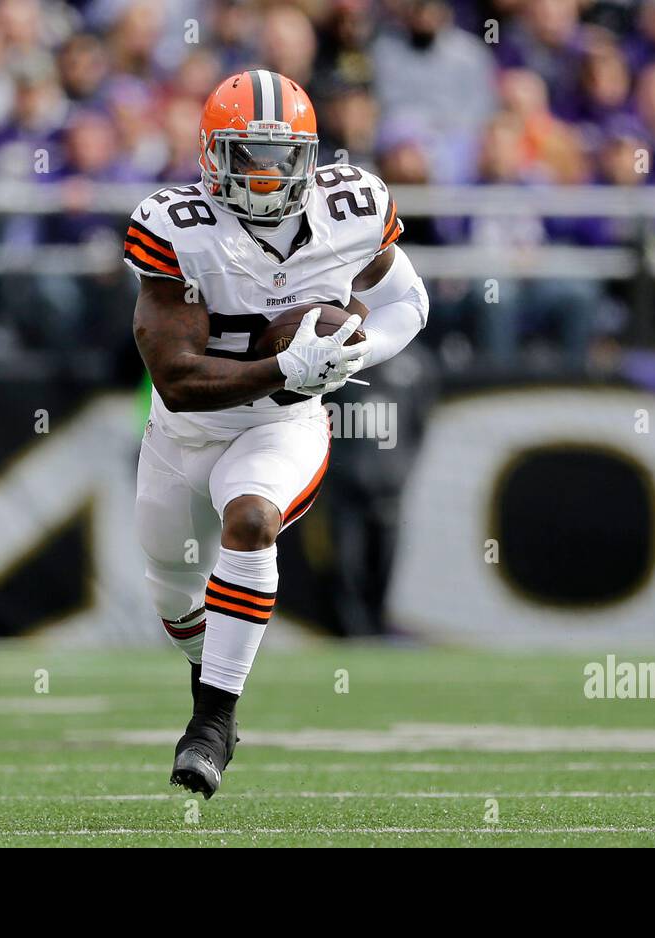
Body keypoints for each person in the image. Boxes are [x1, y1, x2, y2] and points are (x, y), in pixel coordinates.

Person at [126, 70, 428, 798]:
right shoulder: (179, 227)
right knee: (172, 589)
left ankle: (210, 726)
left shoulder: (352, 207)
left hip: (284, 423)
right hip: (187, 429)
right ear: (210, 158)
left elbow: (407, 301)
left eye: (282, 157)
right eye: (248, 158)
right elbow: (178, 380)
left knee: (252, 520)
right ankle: (213, 682)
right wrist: (284, 363)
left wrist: (351, 355)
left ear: (311, 156)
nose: (266, 176)